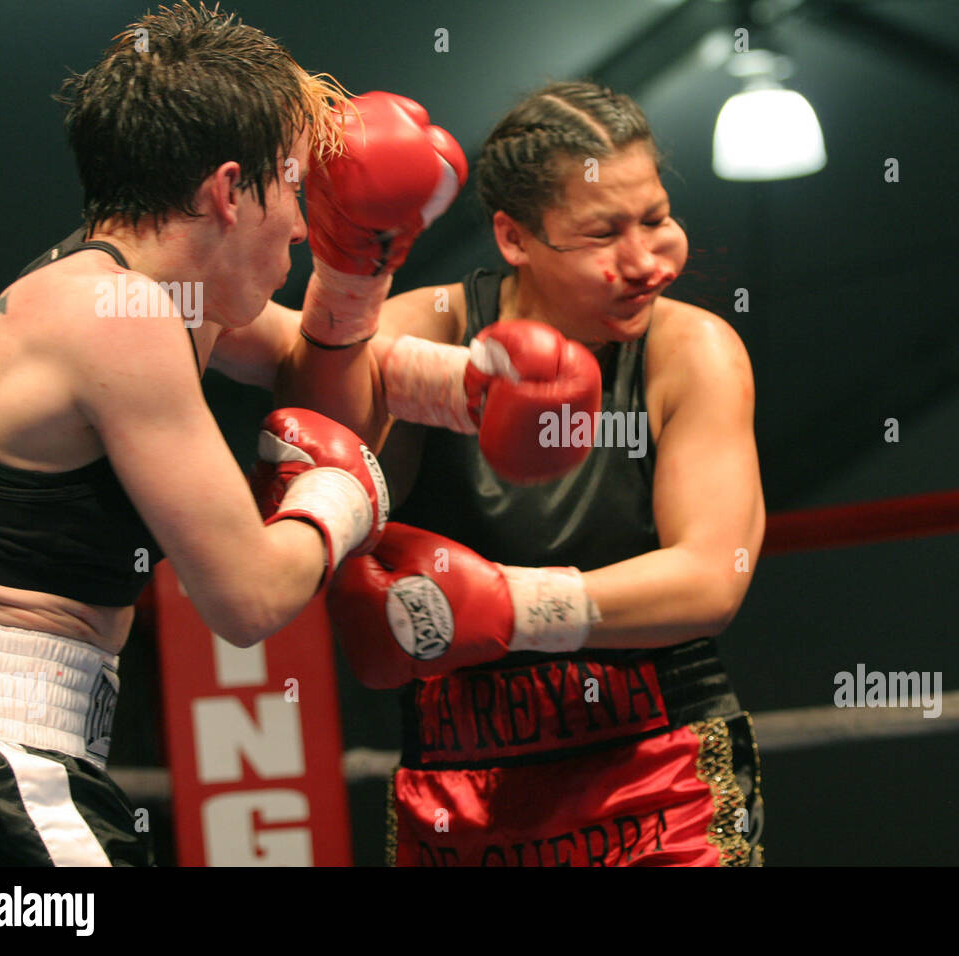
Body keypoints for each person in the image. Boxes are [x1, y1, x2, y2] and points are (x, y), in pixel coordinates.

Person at [0, 2, 483, 866]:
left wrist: (457, 371)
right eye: (297, 191)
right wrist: (343, 493)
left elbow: (321, 377)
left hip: (10, 752)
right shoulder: (113, 318)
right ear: (229, 191)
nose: (306, 227)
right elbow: (249, 599)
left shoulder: (148, 290)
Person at [328, 81, 767, 866]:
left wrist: (508, 605)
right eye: (603, 233)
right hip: (456, 785)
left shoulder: (690, 351)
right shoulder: (421, 331)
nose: (645, 261)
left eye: (658, 219)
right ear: (514, 237)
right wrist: (345, 284)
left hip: (656, 776)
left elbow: (711, 580)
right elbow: (307, 443)